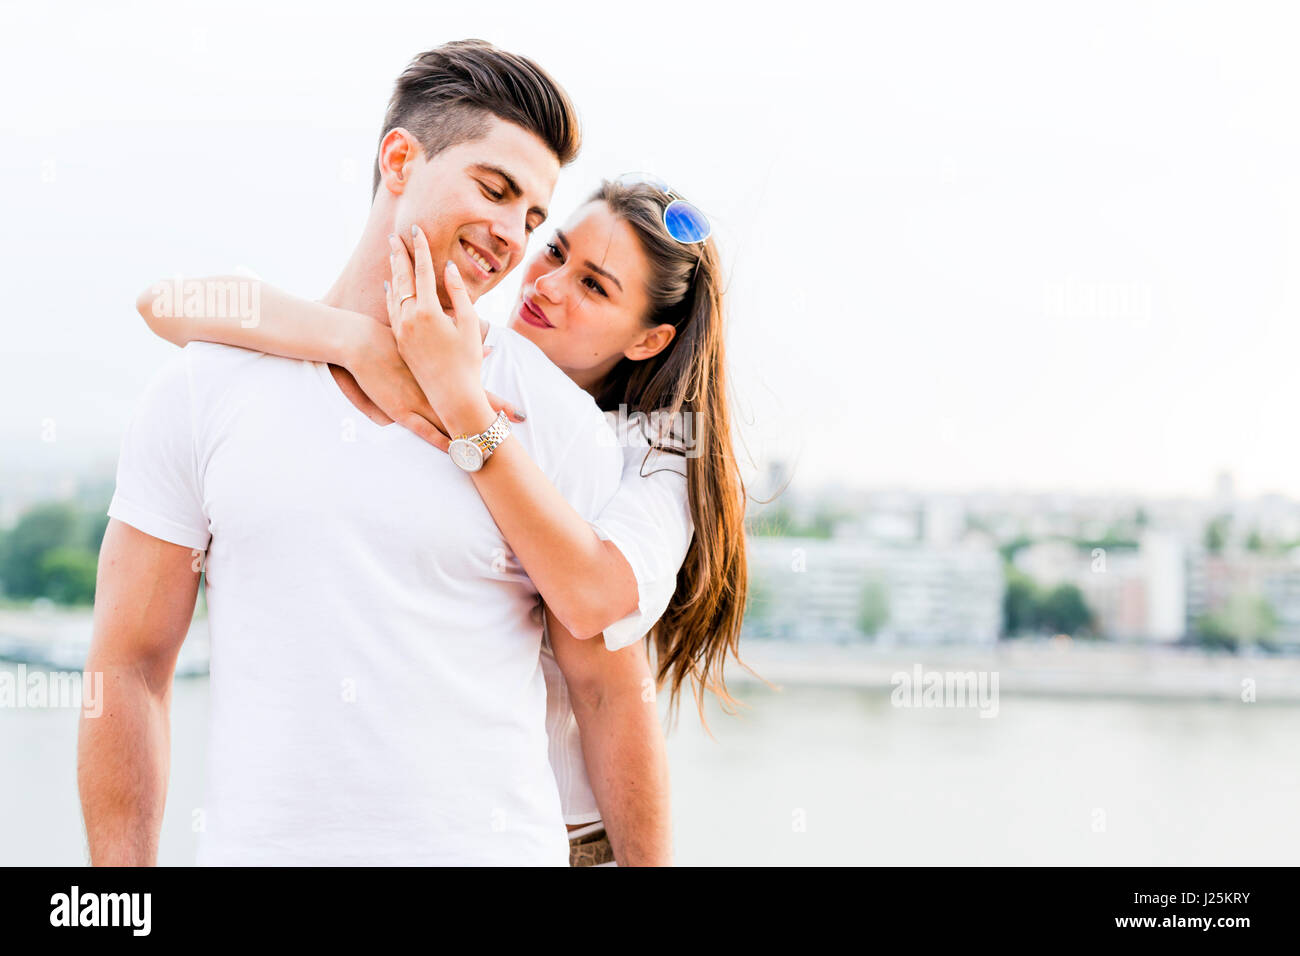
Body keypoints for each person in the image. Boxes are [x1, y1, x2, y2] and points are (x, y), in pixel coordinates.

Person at [79, 39, 627, 867]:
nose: (513, 236)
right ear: (400, 159)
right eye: (496, 189)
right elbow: (127, 669)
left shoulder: (557, 424)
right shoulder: (205, 390)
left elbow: (606, 692)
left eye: (533, 217)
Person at [133, 175, 751, 867]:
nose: (547, 286)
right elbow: (168, 302)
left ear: (648, 340)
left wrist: (466, 411)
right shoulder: (434, 358)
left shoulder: (651, 454)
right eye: (555, 253)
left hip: (575, 840)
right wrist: (356, 341)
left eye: (594, 287)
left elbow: (601, 635)